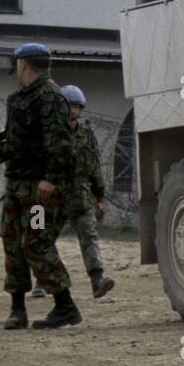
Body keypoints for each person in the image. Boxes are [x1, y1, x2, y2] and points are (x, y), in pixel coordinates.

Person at [0, 42, 81, 330]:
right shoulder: (20, 98)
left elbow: (62, 144)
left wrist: (50, 178)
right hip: (17, 183)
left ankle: (65, 305)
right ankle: (17, 308)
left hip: (38, 189)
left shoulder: (49, 96)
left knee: (36, 242)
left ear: (22, 64)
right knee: (12, 242)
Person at [54, 85, 116, 299]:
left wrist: (99, 197)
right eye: (69, 106)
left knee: (89, 236)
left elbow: (95, 167)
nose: (73, 111)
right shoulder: (49, 133)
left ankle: (97, 281)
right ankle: (42, 281)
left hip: (80, 195)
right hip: (49, 197)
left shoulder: (87, 135)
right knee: (41, 237)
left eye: (76, 107)